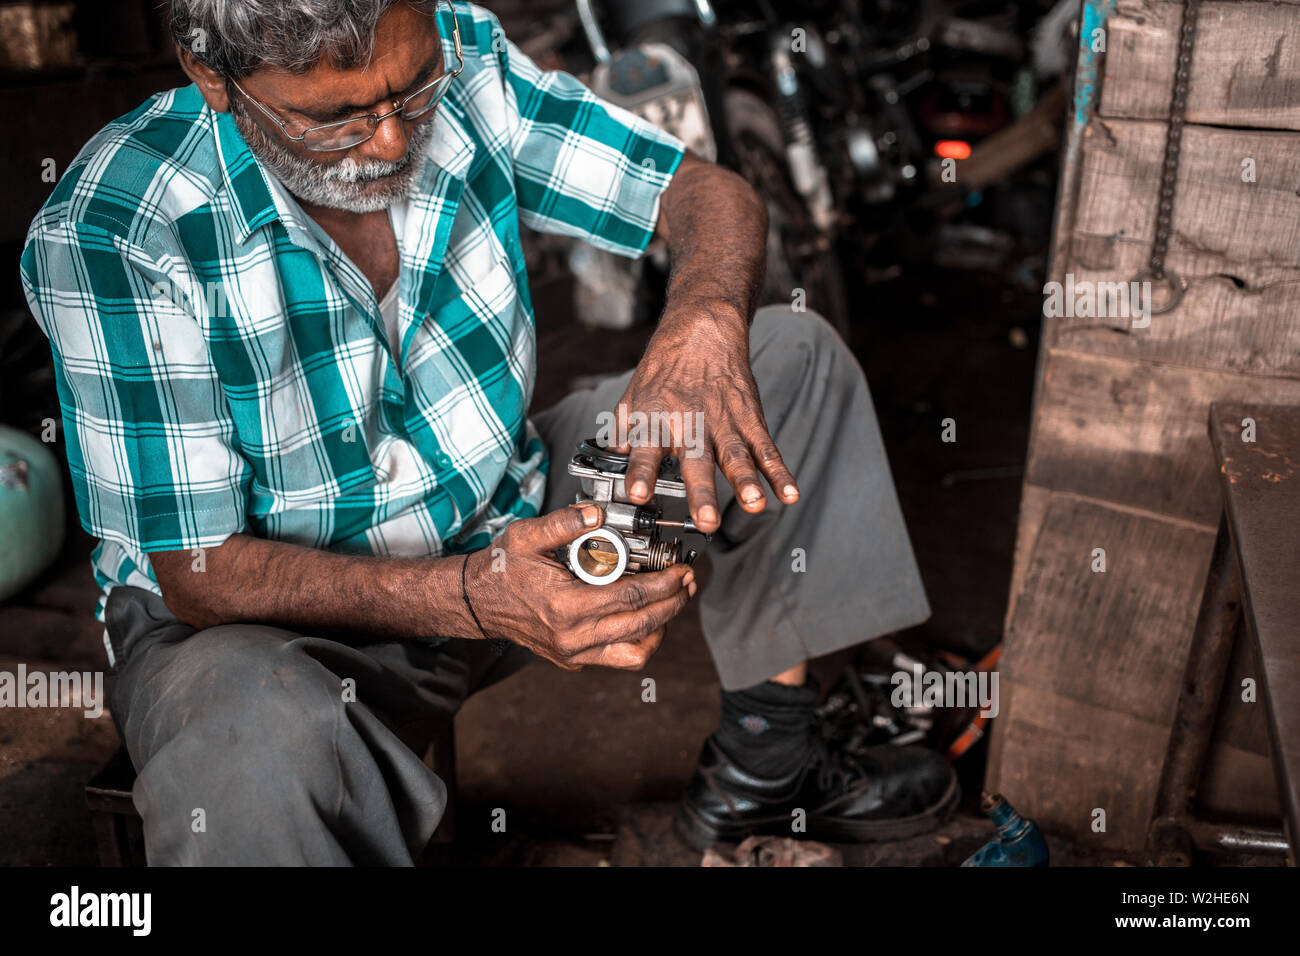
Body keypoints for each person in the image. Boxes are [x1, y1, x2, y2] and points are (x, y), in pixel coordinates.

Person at [19, 0, 954, 864]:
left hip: (504, 517)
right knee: (255, 745)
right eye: (335, 117)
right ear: (212, 75)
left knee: (788, 358)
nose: (390, 140)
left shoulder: (465, 58)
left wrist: (702, 318)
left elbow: (706, 193)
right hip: (266, 623)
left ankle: (766, 770)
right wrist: (475, 596)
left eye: (410, 89)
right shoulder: (120, 225)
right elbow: (202, 572)